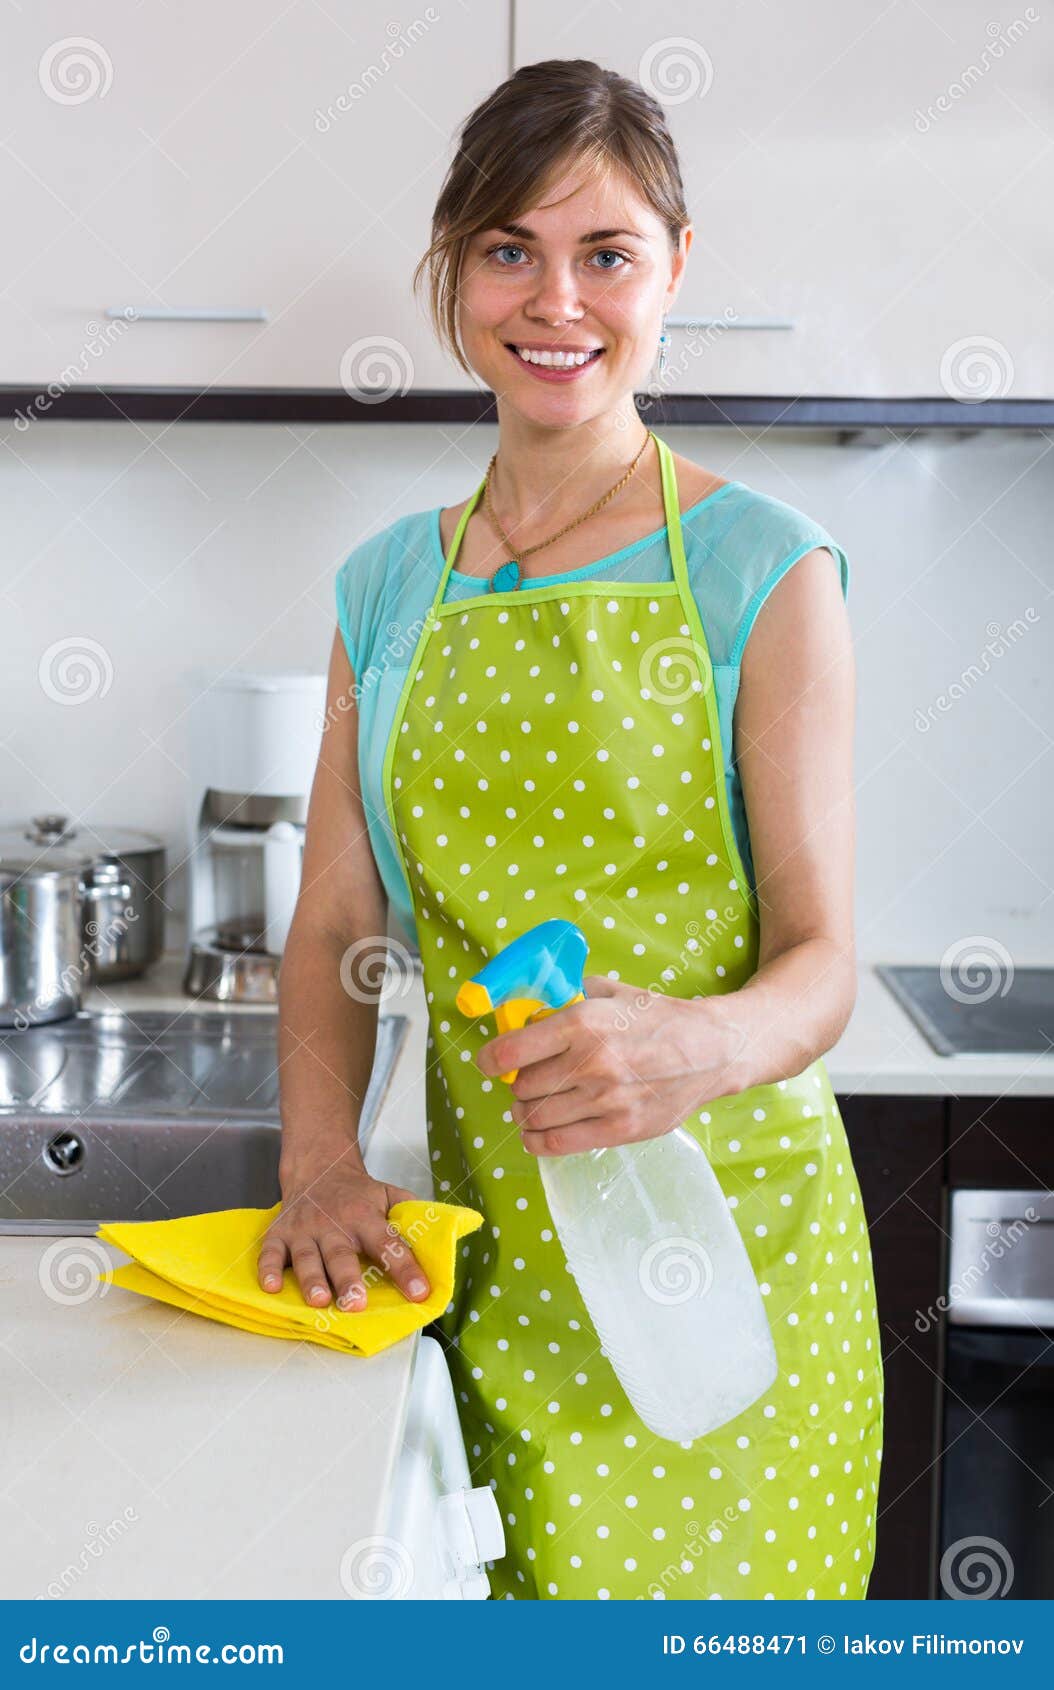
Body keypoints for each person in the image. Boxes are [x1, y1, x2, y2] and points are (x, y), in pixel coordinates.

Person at [258, 58, 882, 1601]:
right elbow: (338, 925)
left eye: (607, 253)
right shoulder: (384, 589)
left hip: (731, 1274)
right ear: (450, 270)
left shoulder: (761, 569)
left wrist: (703, 1044)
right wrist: (319, 1161)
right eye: (508, 251)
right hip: (486, 1277)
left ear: (674, 271)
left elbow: (821, 963)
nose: (558, 301)